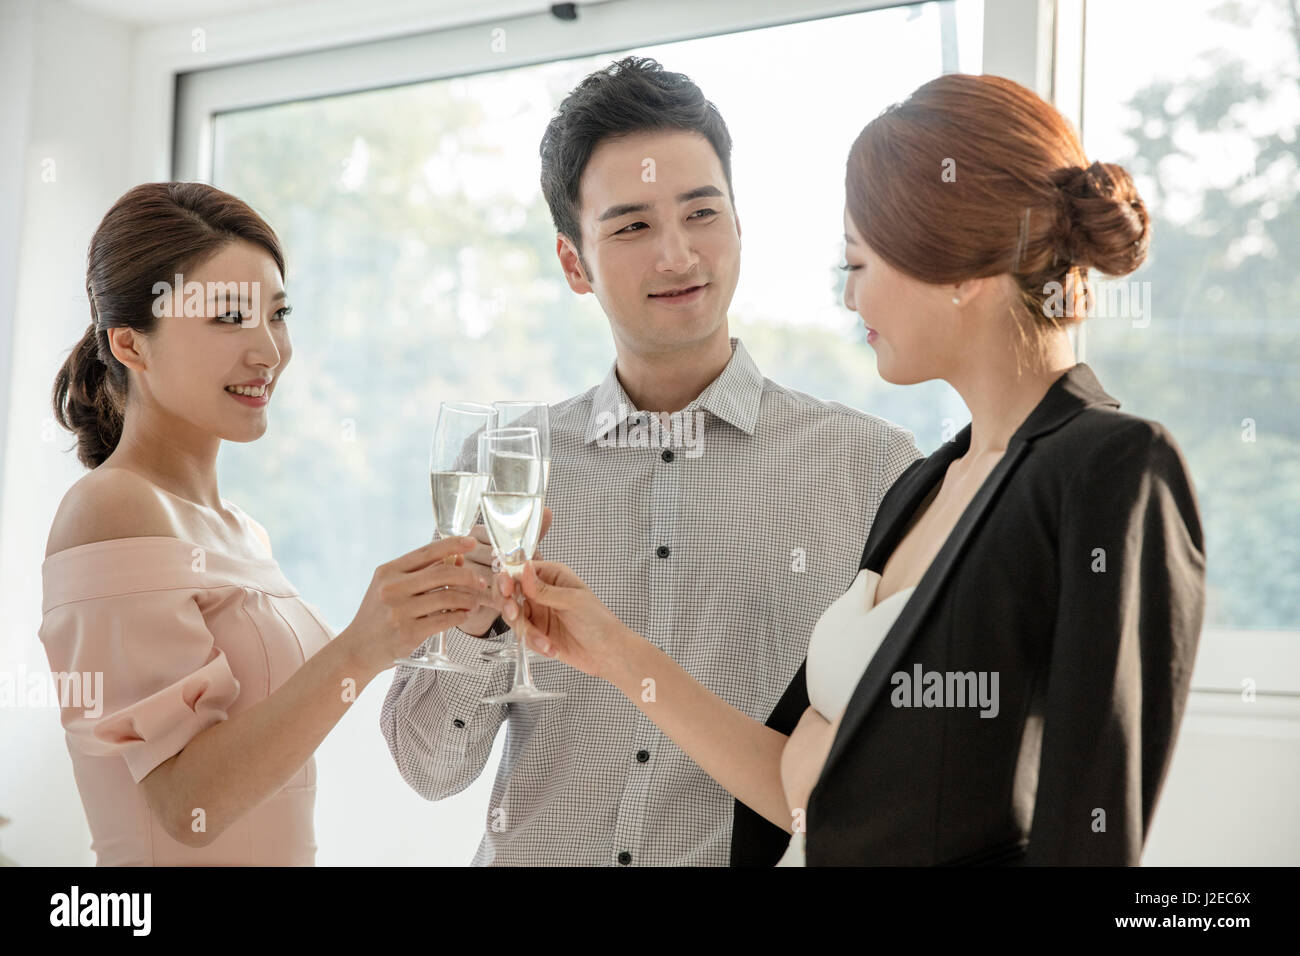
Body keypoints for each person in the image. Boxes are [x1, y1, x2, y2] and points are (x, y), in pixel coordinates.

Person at [499, 72, 1207, 866]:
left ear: (960, 269)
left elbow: (1089, 838)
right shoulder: (925, 485)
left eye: (860, 263)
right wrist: (611, 650)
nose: (847, 297)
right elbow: (801, 788)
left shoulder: (1110, 467)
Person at [380, 57, 921, 866]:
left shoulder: (871, 470)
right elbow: (429, 768)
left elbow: (890, 782)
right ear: (573, 263)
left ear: (739, 225)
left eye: (702, 213)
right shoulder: (504, 470)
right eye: (631, 225)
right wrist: (478, 622)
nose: (676, 255)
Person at [39, 182, 490, 865]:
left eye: (277, 315)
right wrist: (364, 645)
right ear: (130, 344)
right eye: (227, 318)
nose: (268, 352)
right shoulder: (113, 507)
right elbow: (188, 808)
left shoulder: (241, 532)